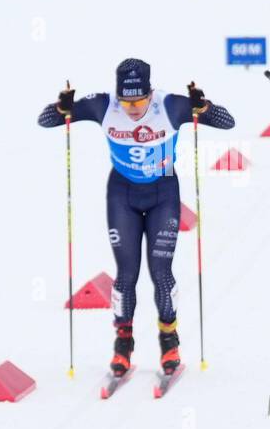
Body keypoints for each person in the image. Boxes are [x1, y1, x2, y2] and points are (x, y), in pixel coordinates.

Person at [37, 59, 235, 380]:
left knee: (160, 271)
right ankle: (122, 345)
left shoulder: (170, 105)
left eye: (138, 101)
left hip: (163, 194)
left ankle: (169, 340)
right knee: (126, 274)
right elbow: (45, 121)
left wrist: (204, 106)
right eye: (126, 101)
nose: (131, 108)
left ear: (149, 92)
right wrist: (61, 108)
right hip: (122, 196)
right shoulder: (104, 105)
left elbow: (228, 122)